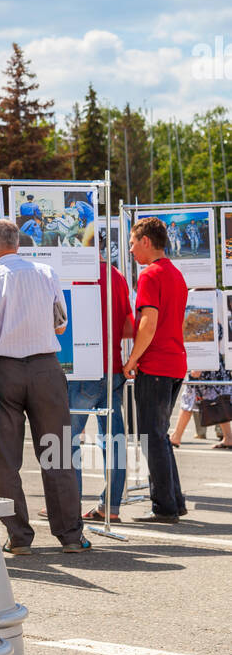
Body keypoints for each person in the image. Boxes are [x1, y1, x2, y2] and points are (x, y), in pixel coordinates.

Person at [0, 218, 89, 555]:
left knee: (7, 459)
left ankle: (19, 536)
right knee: (57, 453)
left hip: (5, 372)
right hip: (47, 369)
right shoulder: (46, 274)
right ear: (17, 244)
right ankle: (71, 536)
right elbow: (60, 325)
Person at [124, 216, 188, 523]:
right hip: (175, 363)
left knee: (152, 437)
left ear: (146, 241)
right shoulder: (175, 274)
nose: (131, 249)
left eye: (133, 242)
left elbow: (148, 323)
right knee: (160, 436)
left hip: (157, 364)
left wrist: (132, 359)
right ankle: (175, 501)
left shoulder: (150, 275)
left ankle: (165, 507)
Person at [69, 250, 134, 523]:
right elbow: (129, 326)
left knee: (67, 441)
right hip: (113, 367)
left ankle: (68, 506)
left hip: (82, 370)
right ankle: (111, 507)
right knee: (114, 442)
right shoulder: (117, 276)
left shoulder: (77, 275)